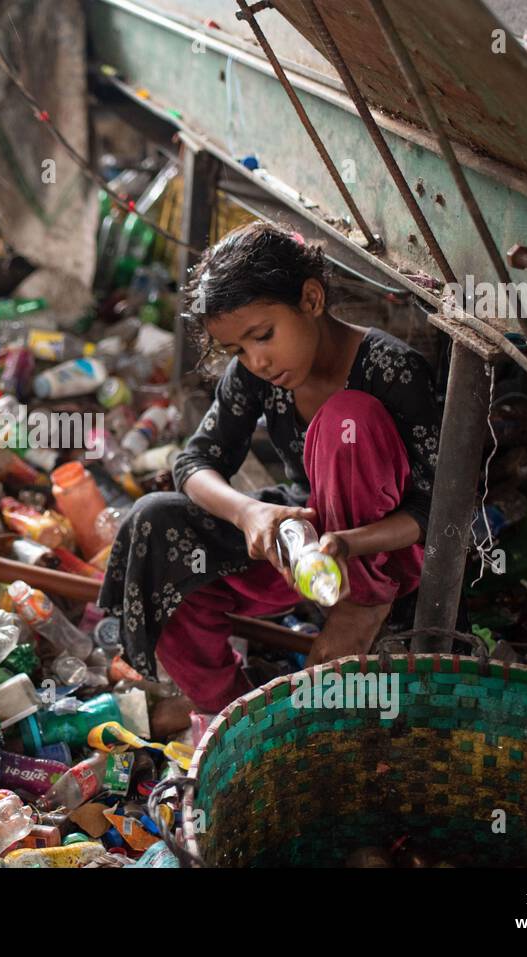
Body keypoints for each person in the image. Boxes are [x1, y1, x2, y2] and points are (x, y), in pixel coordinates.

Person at [98, 220, 442, 717]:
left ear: (310, 299)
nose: (255, 360)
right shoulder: (257, 373)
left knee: (348, 420)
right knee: (153, 522)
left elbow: (438, 510)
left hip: (387, 553)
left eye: (263, 335)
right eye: (238, 349)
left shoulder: (392, 370)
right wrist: (250, 515)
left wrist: (352, 545)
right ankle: (231, 712)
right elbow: (195, 461)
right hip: (306, 544)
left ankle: (359, 608)